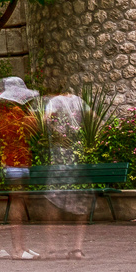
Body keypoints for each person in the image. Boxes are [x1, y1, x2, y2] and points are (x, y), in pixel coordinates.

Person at [0, 77, 40, 260]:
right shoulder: (16, 113)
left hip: (16, 162)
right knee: (17, 204)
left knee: (19, 203)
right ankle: (18, 249)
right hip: (15, 163)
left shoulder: (6, 113)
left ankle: (21, 246)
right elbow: (33, 129)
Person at [42, 92, 91, 259]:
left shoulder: (53, 102)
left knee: (53, 201)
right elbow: (96, 121)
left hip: (59, 161)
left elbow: (44, 122)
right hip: (79, 160)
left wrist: (58, 137)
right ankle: (77, 248)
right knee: (81, 204)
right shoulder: (80, 101)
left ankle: (52, 249)